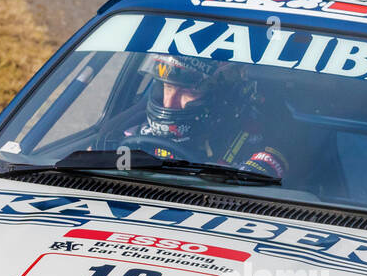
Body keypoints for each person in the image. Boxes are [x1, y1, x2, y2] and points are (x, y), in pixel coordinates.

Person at [112, 54, 291, 181]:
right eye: (167, 87)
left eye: (188, 92)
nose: (169, 103)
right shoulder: (135, 131)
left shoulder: (260, 141)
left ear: (222, 96)